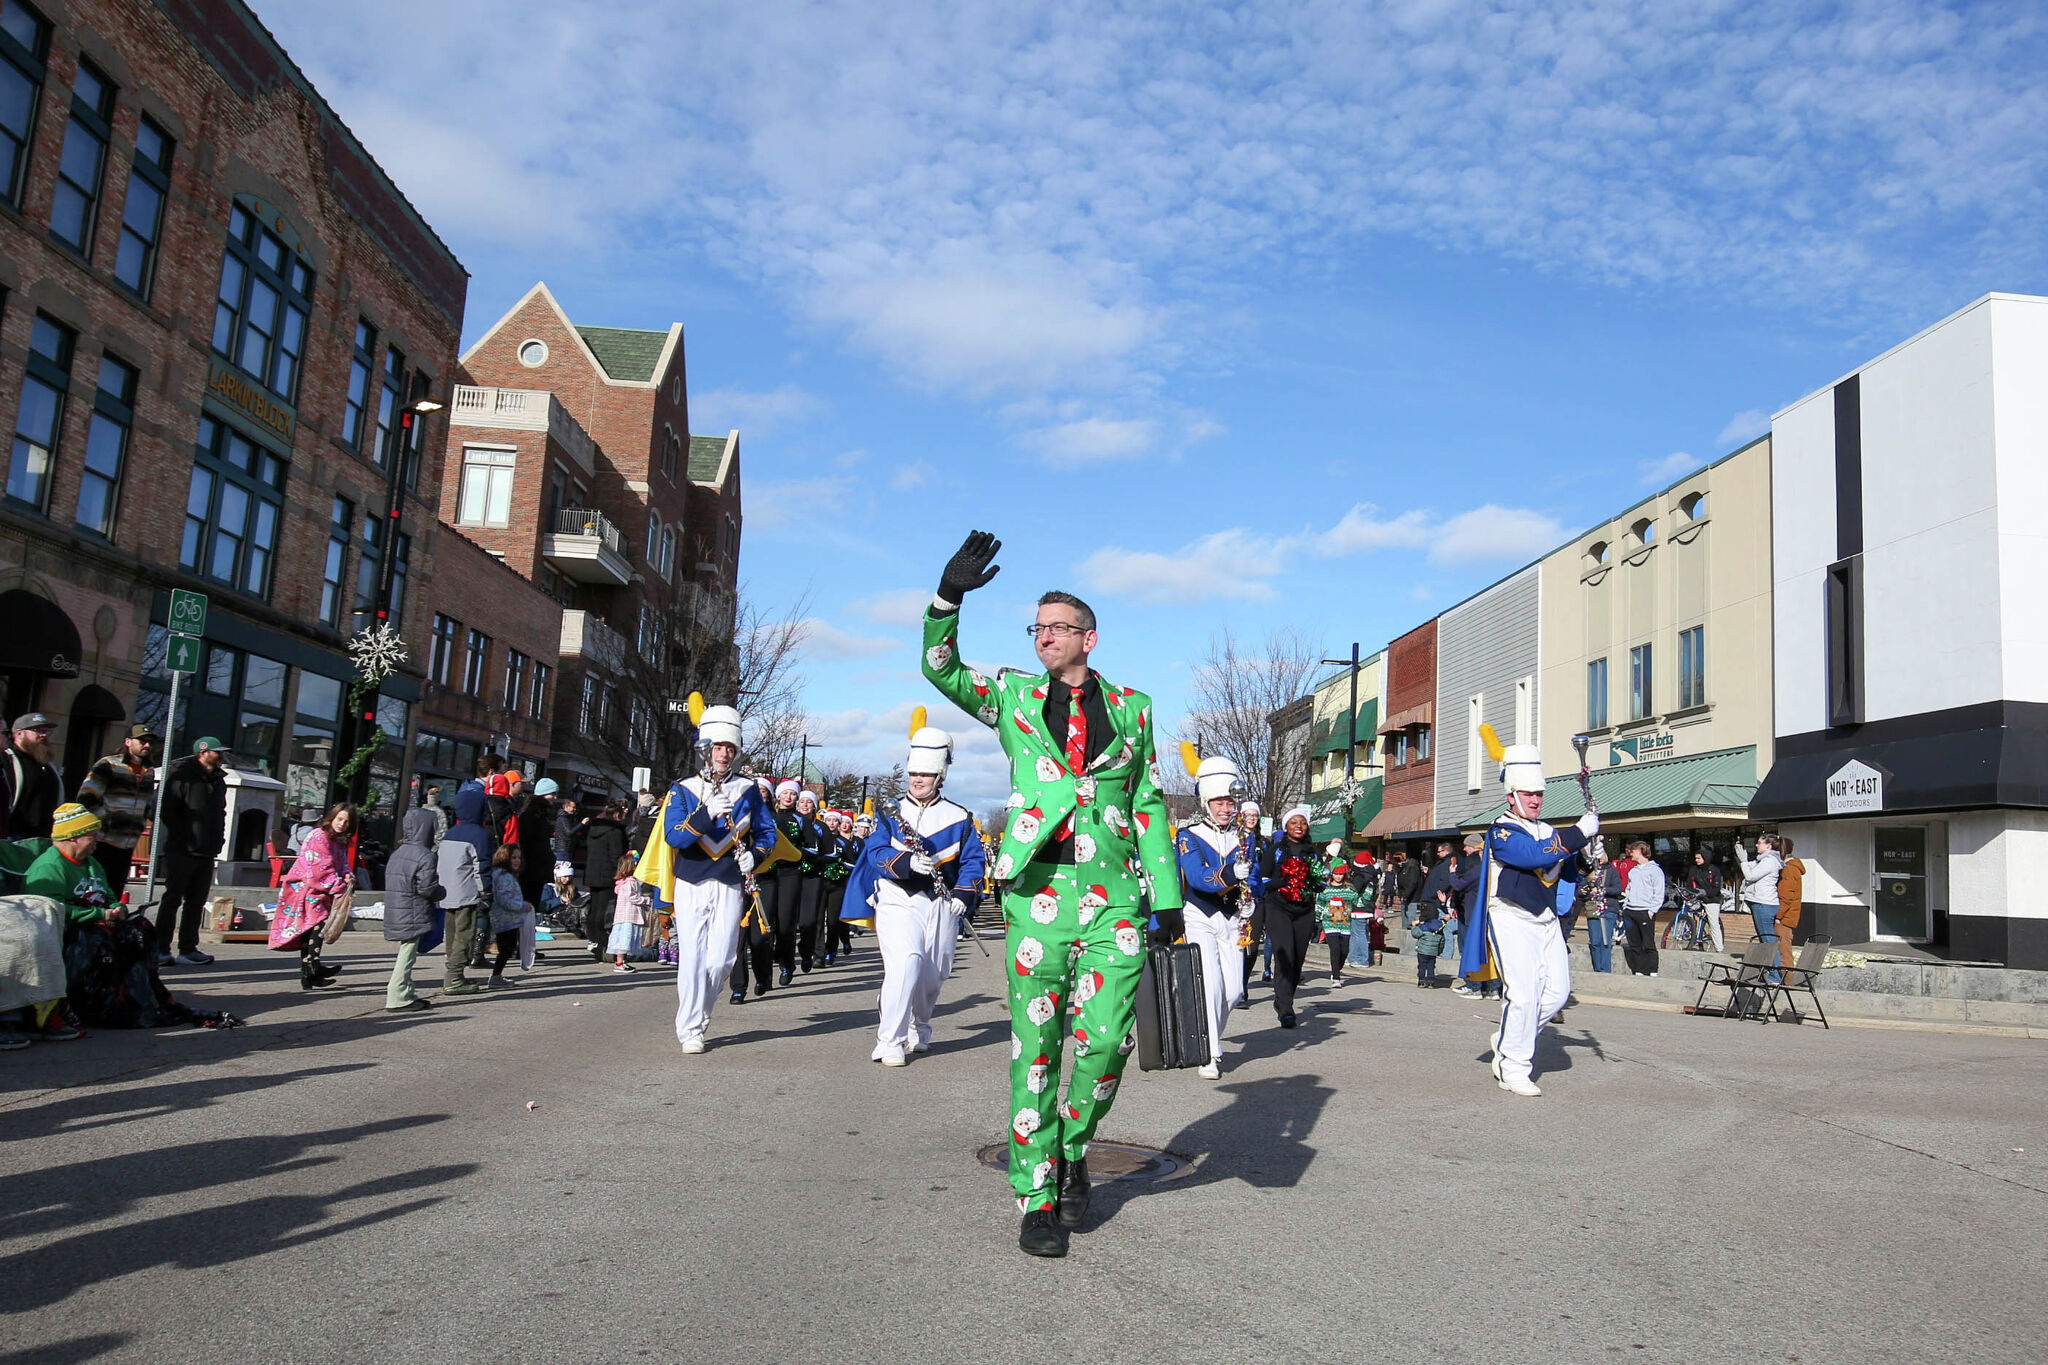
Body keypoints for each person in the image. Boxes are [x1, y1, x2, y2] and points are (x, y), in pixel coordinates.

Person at [920, 530, 1182, 1257]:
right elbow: (941, 668)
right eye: (1036, 627)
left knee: (1107, 1042)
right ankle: (1036, 1195)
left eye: (1057, 627)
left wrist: (1166, 897)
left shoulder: (1133, 707)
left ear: (1088, 638)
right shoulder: (1012, 695)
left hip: (1115, 895)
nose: (1043, 636)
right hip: (1038, 892)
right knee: (1035, 1047)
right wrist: (948, 597)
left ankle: (1071, 1146)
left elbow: (1148, 801)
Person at [1460, 743, 1596, 1098]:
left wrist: (1587, 857)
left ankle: (1509, 1039)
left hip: (1546, 920)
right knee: (1522, 996)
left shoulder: (1548, 830)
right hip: (1511, 917)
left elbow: (1565, 872)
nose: (1535, 800)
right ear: (1512, 796)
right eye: (1527, 794)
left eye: (1538, 794)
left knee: (1557, 994)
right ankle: (1514, 1067)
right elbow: (1532, 856)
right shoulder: (1501, 830)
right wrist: (1578, 833)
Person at [845, 724, 985, 1066]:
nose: (917, 780)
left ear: (940, 777)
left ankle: (919, 1024)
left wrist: (963, 894)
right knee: (906, 962)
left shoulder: (959, 817)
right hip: (897, 897)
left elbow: (973, 861)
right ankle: (888, 1040)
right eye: (913, 774)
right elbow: (875, 852)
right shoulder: (889, 812)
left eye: (925, 774)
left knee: (934, 974)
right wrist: (906, 862)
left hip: (941, 902)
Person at [30, 804, 232, 1029]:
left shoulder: (91, 863)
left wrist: (118, 908)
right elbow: (49, 909)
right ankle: (96, 1002)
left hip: (97, 921)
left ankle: (133, 996)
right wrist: (99, 914)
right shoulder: (49, 867)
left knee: (141, 930)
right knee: (101, 939)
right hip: (69, 930)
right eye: (92, 835)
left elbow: (107, 895)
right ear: (73, 837)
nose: (97, 840)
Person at [650, 699, 777, 1050]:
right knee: (692, 957)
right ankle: (690, 1028)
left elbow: (767, 832)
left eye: (730, 748)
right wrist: (705, 814)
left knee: (722, 959)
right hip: (691, 880)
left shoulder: (748, 790)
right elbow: (674, 836)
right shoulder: (683, 789)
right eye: (718, 747)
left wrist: (755, 855)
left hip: (730, 881)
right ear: (706, 750)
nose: (724, 754)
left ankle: (701, 1011)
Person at [1173, 756, 1262, 1079]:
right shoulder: (1189, 835)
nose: (1225, 808)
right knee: (1210, 985)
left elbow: (1254, 876)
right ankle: (1209, 1053)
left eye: (1229, 802)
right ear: (1207, 803)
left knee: (1235, 990)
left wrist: (1251, 899)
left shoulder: (1245, 838)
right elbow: (1198, 877)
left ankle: (1208, 1039)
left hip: (1232, 917)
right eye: (1219, 802)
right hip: (1198, 915)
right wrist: (1230, 873)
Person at [153, 737, 231, 967]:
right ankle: (160, 948)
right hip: (182, 850)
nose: (220, 756)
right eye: (216, 752)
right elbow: (168, 811)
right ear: (202, 752)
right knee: (172, 899)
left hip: (207, 850)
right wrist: (184, 837)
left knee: (196, 902)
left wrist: (218, 840)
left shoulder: (218, 780)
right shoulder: (182, 776)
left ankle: (188, 949)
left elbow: (220, 813)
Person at [268, 802, 357, 989]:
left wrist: (348, 875)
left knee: (311, 929)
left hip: (319, 890)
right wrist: (339, 887)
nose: (342, 824)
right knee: (318, 925)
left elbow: (341, 863)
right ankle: (313, 966)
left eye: (347, 822)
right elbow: (320, 869)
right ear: (332, 818)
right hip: (306, 889)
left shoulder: (337, 840)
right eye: (340, 819)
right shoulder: (319, 836)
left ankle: (309, 973)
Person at [75, 723, 159, 900]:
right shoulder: (108, 765)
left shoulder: (149, 771)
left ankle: (110, 917)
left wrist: (140, 823)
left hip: (128, 843)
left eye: (150, 742)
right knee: (96, 891)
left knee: (115, 892)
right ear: (128, 742)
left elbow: (147, 803)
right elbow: (86, 798)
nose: (147, 745)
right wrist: (107, 821)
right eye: (142, 741)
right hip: (103, 841)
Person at [381, 807, 445, 1013]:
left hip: (397, 910)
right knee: (407, 955)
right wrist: (441, 891)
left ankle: (407, 993)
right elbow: (427, 888)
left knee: (406, 951)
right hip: (413, 912)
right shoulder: (425, 855)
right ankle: (397, 995)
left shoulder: (398, 853)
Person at [1264, 807, 1322, 1029]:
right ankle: (1285, 1008)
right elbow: (1262, 881)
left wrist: (1311, 881)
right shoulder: (1276, 850)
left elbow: (1319, 882)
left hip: (1304, 910)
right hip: (1278, 907)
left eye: (1303, 823)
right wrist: (1286, 882)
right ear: (1286, 826)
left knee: (1297, 959)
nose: (1299, 826)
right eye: (1294, 822)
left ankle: (1285, 998)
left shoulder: (1313, 853)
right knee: (1285, 954)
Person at [436, 793, 487, 996]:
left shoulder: (450, 833)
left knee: (451, 935)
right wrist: (486, 891)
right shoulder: (479, 834)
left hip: (446, 892)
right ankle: (454, 977)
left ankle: (454, 973)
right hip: (466, 892)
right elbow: (481, 866)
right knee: (464, 935)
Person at [0, 712, 63, 839]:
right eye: (38, 730)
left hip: (44, 837)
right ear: (19, 734)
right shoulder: (7, 760)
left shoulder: (47, 764)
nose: (44, 735)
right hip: (15, 836)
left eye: (46, 731)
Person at [581, 799, 629, 962]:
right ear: (617, 815)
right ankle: (603, 943)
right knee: (604, 910)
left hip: (592, 872)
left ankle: (593, 939)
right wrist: (622, 871)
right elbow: (616, 856)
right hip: (608, 874)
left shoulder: (593, 828)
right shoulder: (614, 831)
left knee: (595, 908)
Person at [486, 843, 530, 988]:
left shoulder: (505, 875)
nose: (517, 861)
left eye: (519, 858)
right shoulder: (504, 877)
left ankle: (496, 975)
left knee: (507, 948)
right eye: (513, 858)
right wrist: (522, 906)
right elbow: (504, 900)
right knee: (506, 948)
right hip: (505, 919)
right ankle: (496, 977)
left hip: (508, 918)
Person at [1620, 841, 1664, 976]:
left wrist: (1652, 911)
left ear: (1640, 851)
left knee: (1648, 943)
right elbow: (1628, 889)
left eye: (1633, 851)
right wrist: (1625, 906)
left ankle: (1652, 970)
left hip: (1645, 911)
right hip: (1630, 911)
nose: (1630, 853)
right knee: (1634, 943)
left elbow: (1659, 892)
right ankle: (1639, 970)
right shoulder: (1633, 871)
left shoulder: (1655, 871)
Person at [1737, 834, 1784, 959]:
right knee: (1765, 940)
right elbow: (1750, 867)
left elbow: (1750, 876)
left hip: (1764, 904)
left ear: (1769, 846)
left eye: (1759, 843)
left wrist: (1743, 861)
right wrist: (1743, 860)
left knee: (1768, 941)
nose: (1756, 845)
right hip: (1762, 903)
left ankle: (1775, 970)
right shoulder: (1762, 860)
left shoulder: (1769, 861)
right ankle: (1770, 967)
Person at [1314, 841, 1354, 986]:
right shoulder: (1325, 889)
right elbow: (1319, 903)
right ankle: (1336, 977)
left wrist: (1369, 892)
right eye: (1336, 874)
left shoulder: (1349, 889)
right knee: (1335, 949)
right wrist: (1316, 919)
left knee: (1344, 951)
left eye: (1341, 874)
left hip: (1345, 923)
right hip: (1329, 922)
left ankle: (1337, 968)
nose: (1338, 877)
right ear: (1332, 874)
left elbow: (1359, 901)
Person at [1581, 842, 1623, 973]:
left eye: (1600, 857)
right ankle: (1597, 969)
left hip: (1608, 909)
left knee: (1605, 941)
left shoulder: (1612, 872)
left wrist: (1602, 890)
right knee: (1594, 942)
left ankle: (1605, 970)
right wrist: (1583, 891)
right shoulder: (1589, 872)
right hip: (1593, 909)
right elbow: (1580, 889)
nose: (1599, 860)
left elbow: (1617, 889)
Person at [608, 853, 650, 972]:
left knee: (625, 941)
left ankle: (623, 962)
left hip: (624, 917)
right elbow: (633, 898)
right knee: (624, 942)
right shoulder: (630, 883)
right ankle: (619, 963)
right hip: (628, 916)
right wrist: (646, 900)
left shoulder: (624, 882)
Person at [1774, 837, 1805, 983]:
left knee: (1783, 952)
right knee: (1782, 950)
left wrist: (1778, 916)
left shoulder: (1789, 870)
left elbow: (1786, 897)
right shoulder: (1791, 869)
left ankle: (1787, 982)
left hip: (1785, 918)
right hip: (1786, 916)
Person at [1684, 849, 1726, 952]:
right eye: (1695, 858)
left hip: (1712, 899)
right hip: (1697, 898)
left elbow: (1716, 887)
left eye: (1699, 858)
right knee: (1688, 910)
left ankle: (1719, 948)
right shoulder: (1693, 869)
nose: (1696, 860)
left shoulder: (1714, 870)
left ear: (1705, 858)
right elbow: (1689, 884)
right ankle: (1692, 931)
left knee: (1713, 923)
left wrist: (1706, 893)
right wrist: (1690, 893)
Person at [1411, 899, 1446, 987]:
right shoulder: (1439, 928)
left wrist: (1414, 926)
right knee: (1431, 966)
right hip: (1433, 952)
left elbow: (1415, 934)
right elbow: (1442, 941)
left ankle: (1421, 981)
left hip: (1422, 951)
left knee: (1422, 966)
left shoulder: (1424, 926)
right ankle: (1431, 981)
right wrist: (1439, 951)